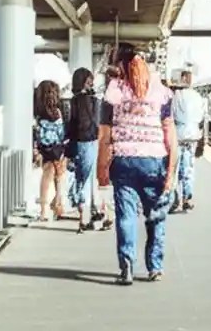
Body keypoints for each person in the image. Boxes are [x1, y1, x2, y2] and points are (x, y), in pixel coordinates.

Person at [97, 43, 177, 285]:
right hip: (154, 161)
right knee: (155, 215)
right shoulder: (162, 92)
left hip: (123, 161)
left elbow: (105, 135)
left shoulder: (113, 91)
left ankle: (127, 266)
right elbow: (170, 135)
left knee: (126, 215)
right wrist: (171, 172)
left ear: (120, 65)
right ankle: (155, 266)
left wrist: (102, 168)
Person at [65, 68, 104, 232]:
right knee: (88, 179)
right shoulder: (92, 101)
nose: (91, 84)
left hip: (80, 142)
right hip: (91, 141)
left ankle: (88, 214)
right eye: (89, 81)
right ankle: (89, 216)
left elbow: (71, 125)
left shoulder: (73, 102)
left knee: (83, 179)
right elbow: (96, 123)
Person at [169, 71, 206, 213]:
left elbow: (170, 117)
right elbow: (203, 119)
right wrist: (203, 141)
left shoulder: (175, 96)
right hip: (193, 136)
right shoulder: (198, 96)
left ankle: (174, 199)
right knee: (189, 168)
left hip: (177, 136)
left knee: (174, 168)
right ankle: (187, 199)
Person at [32, 80, 67, 222]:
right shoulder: (58, 110)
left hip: (44, 147)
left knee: (47, 175)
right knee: (59, 176)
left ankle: (43, 209)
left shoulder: (37, 111)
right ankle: (57, 204)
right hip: (58, 147)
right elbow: (61, 131)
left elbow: (36, 131)